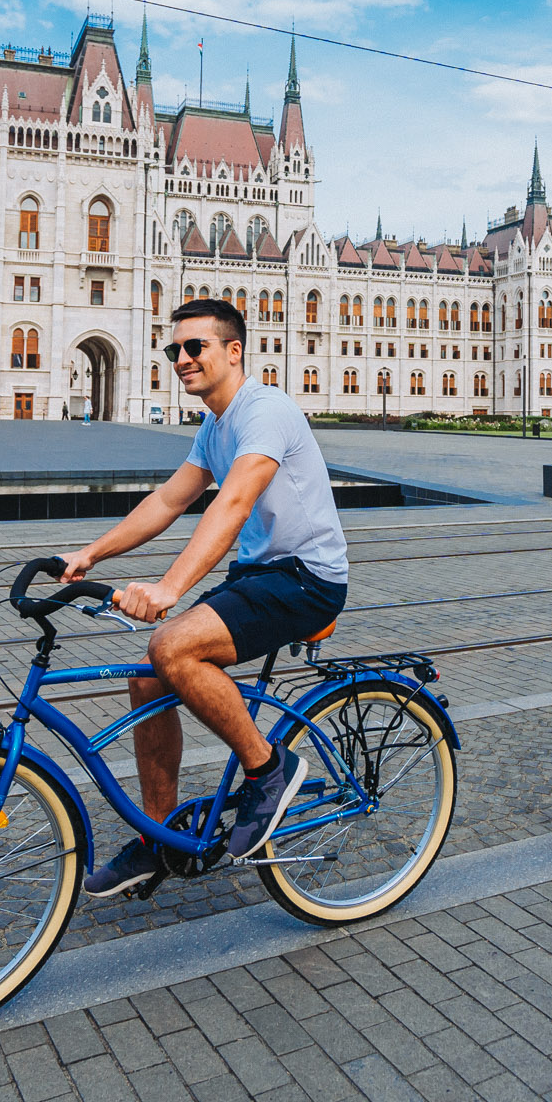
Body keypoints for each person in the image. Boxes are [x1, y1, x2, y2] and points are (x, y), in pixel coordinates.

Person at [61, 297, 350, 896]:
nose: (183, 359)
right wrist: (90, 554)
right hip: (261, 574)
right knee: (147, 677)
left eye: (196, 347)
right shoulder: (214, 425)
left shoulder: (264, 410)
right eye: (175, 350)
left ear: (233, 351)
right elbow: (169, 501)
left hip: (308, 578)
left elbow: (234, 502)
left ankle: (269, 770)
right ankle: (159, 840)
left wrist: (169, 588)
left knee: (172, 646)